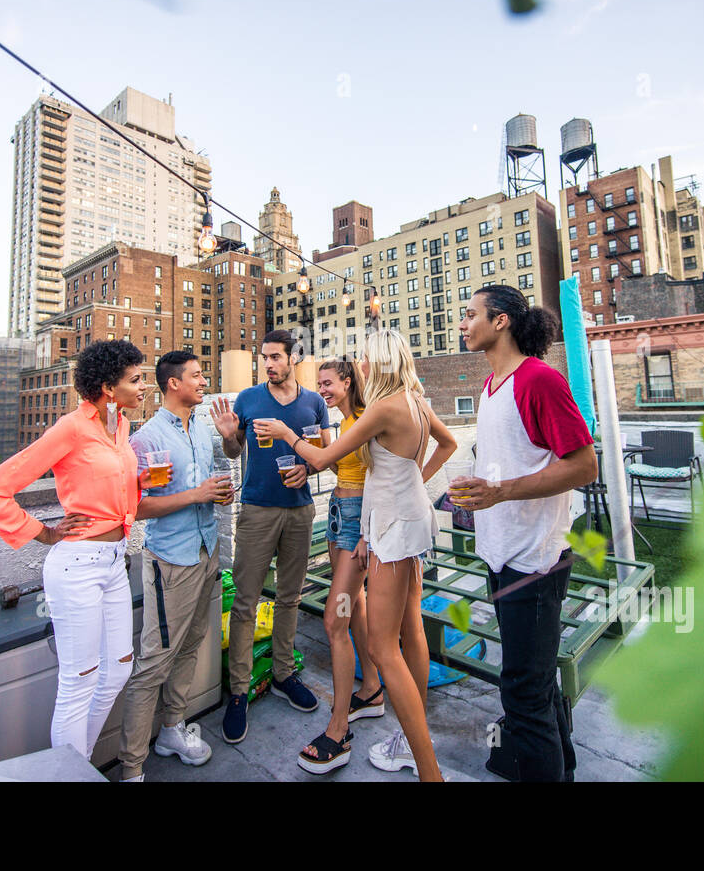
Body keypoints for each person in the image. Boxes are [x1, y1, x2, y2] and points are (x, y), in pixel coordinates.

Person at [255, 328, 457, 782]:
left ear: (380, 362)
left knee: (384, 649)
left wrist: (288, 433)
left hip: (386, 527)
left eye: (365, 360)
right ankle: (408, 738)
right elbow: (448, 444)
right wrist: (413, 483)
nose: (360, 365)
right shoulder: (416, 401)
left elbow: (323, 460)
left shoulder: (383, 408)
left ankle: (428, 771)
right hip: (407, 520)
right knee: (410, 626)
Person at [0, 339, 152, 760]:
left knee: (119, 668)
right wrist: (45, 533)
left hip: (114, 561)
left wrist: (144, 484)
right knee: (79, 680)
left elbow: (110, 489)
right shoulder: (71, 427)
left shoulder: (121, 426)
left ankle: (76, 764)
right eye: (136, 380)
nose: (144, 387)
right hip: (77, 566)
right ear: (108, 387)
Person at [452, 285, 598, 782]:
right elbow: (509, 462)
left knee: (523, 692)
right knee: (536, 685)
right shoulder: (493, 387)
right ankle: (565, 768)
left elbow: (583, 465)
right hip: (502, 556)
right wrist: (479, 488)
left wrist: (501, 491)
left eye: (470, 314)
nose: (462, 324)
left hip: (534, 561)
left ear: (500, 322)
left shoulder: (539, 380)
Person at [116, 351, 236, 781]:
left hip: (207, 552)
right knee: (153, 662)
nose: (204, 382)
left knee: (190, 645)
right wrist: (197, 495)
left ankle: (171, 730)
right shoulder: (148, 438)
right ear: (173, 384)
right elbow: (140, 508)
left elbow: (205, 486)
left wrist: (219, 494)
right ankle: (131, 769)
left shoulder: (202, 430)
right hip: (171, 561)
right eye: (197, 376)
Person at [209, 329, 330, 744]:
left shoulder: (314, 403)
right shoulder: (247, 399)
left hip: (299, 510)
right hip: (257, 510)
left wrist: (308, 470)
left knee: (290, 597)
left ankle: (282, 674)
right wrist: (229, 434)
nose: (269, 364)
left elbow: (324, 454)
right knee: (245, 601)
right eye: (264, 357)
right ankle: (239, 692)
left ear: (294, 358)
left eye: (276, 357)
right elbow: (232, 452)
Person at [296, 358, 384, 774]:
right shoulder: (347, 421)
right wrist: (315, 459)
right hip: (337, 511)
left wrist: (367, 533)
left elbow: (380, 479)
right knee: (355, 605)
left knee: (335, 620)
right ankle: (371, 689)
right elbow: (340, 465)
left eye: (328, 384)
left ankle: (338, 729)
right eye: (319, 384)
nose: (323, 391)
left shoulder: (367, 418)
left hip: (355, 522)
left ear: (349, 382)